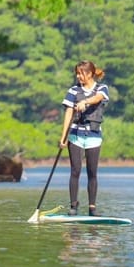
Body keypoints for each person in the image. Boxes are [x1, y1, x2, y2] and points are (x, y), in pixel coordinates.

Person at [59, 60, 109, 216]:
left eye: (81, 73)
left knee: (92, 172)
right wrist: (63, 137)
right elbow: (68, 113)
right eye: (77, 73)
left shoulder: (102, 88)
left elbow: (98, 98)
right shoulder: (73, 91)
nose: (78, 76)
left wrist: (85, 102)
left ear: (90, 74)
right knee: (75, 171)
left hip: (93, 135)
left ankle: (92, 208)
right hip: (75, 135)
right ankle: (73, 206)